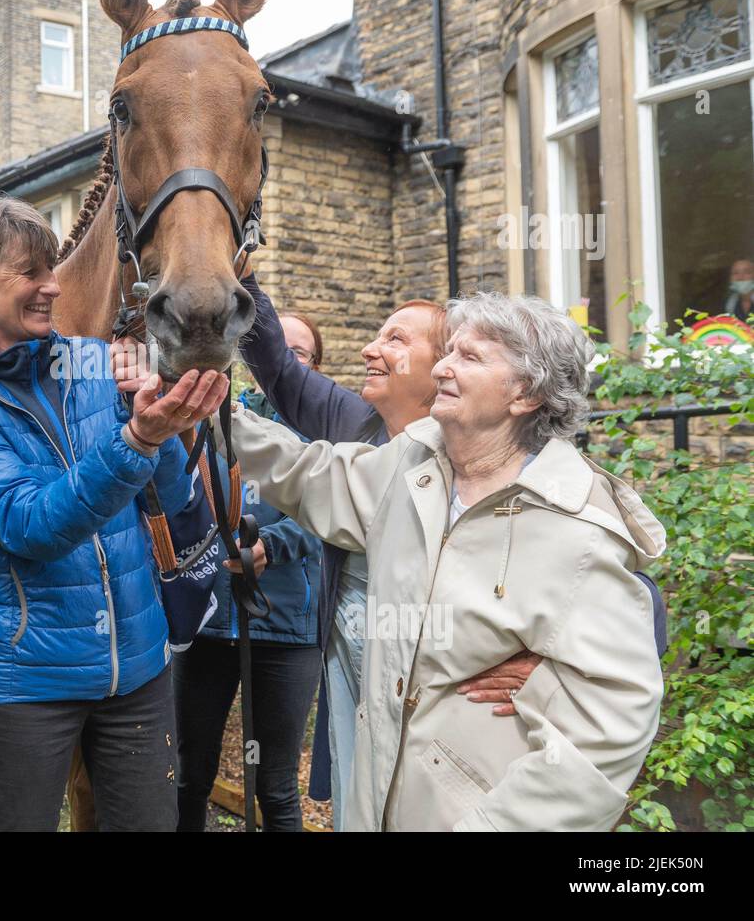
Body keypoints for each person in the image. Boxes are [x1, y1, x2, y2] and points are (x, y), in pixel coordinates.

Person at [214, 290, 666, 830]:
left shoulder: (577, 527)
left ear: (525, 393)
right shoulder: (417, 464)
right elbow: (319, 478)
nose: (443, 368)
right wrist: (213, 416)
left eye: (469, 357)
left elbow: (605, 735)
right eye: (448, 351)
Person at [0, 195, 226, 832]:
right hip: (28, 680)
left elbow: (167, 501)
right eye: (29, 272)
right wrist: (135, 441)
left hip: (137, 670)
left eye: (50, 269)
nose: (51, 287)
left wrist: (164, 421)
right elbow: (29, 524)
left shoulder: (98, 362)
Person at [232, 275, 543, 829]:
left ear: (443, 365)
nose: (371, 349)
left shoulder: (492, 458)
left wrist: (548, 664)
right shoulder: (358, 424)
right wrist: (237, 267)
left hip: (449, 703)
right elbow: (278, 371)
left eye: (397, 339)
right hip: (361, 679)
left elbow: (620, 589)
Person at [169, 314, 328, 832]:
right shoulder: (217, 416)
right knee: (190, 774)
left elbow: (333, 517)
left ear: (314, 365)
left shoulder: (325, 429)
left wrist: (271, 546)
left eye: (300, 352)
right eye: (277, 347)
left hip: (285, 626)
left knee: (275, 785)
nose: (287, 358)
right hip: (211, 624)